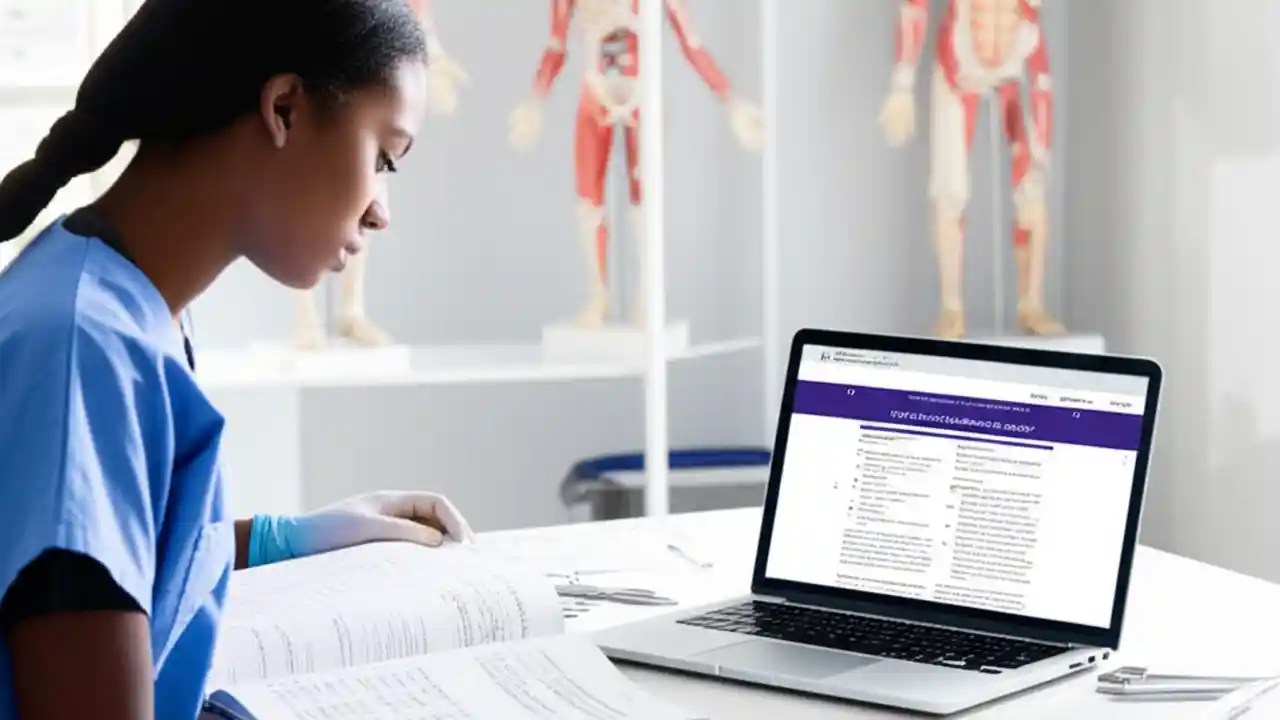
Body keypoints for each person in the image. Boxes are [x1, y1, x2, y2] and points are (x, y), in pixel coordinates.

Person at [0, 1, 474, 718]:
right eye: (383, 157)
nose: (381, 210)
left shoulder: (119, 301)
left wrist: (293, 538)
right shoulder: (82, 348)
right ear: (284, 108)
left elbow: (127, 556)